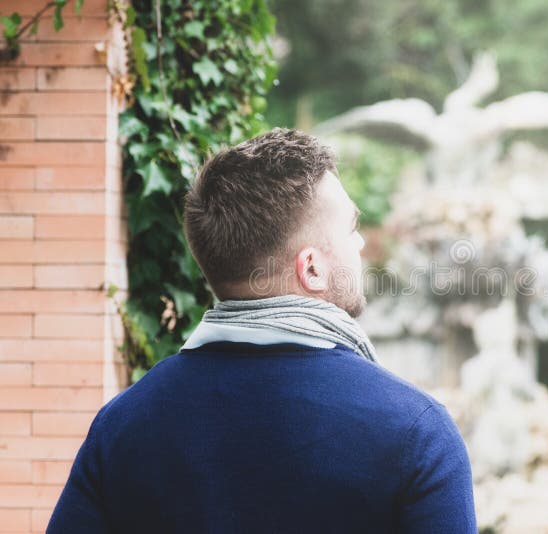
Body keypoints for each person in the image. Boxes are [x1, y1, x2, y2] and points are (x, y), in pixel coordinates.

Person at [47, 128, 478, 533]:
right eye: (352, 229)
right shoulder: (416, 434)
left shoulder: (122, 426)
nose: (362, 244)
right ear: (311, 268)